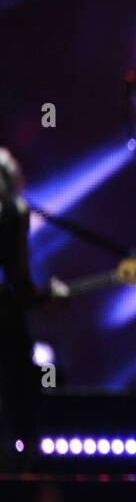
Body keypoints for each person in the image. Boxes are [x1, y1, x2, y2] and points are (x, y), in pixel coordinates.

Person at [0, 148, 44, 462]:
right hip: (6, 318)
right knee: (18, 393)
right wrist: (41, 296)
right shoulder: (15, 211)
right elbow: (19, 278)